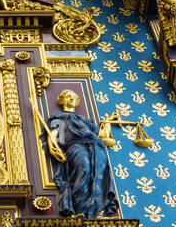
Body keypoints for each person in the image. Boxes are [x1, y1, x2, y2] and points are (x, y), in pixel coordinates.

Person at [41, 90, 120, 219]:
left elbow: (100, 135)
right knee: (84, 170)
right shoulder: (60, 117)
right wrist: (52, 146)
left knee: (98, 177)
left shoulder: (85, 120)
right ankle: (81, 210)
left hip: (96, 147)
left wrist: (107, 122)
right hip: (76, 145)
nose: (71, 99)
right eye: (67, 96)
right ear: (62, 100)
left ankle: (97, 211)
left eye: (73, 97)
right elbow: (56, 134)